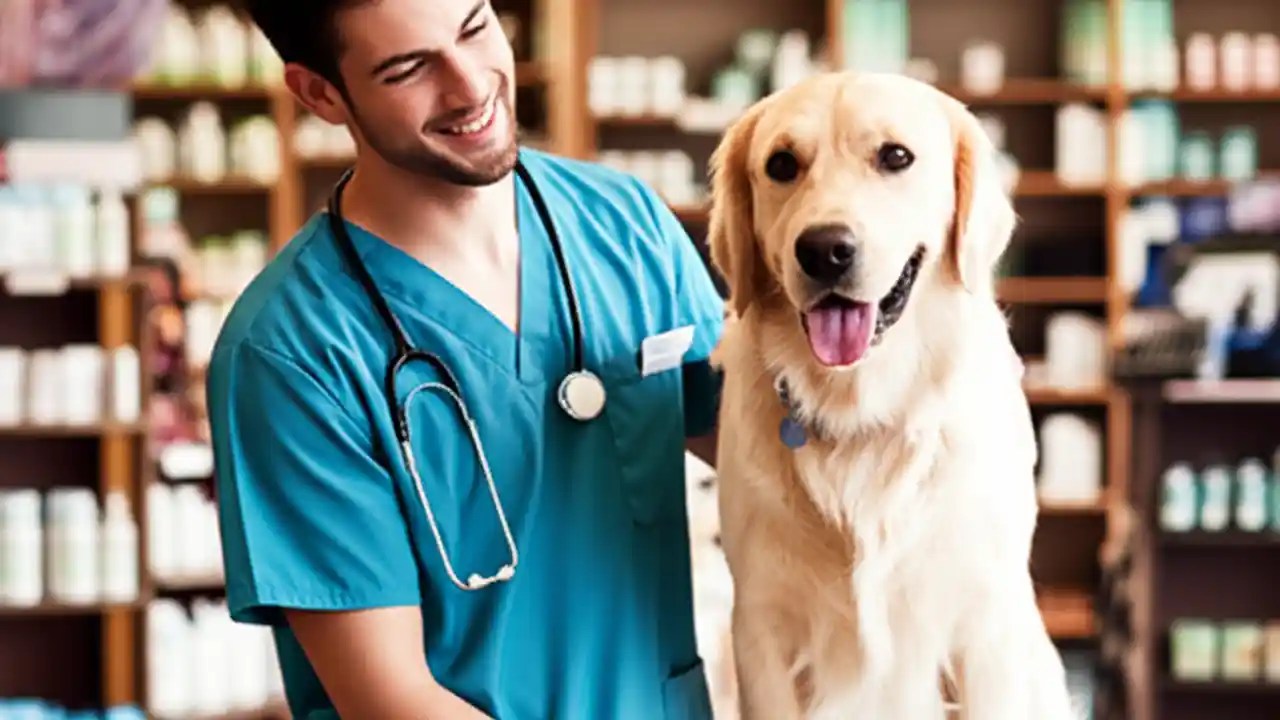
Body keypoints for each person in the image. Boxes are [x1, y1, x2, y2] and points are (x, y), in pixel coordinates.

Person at [204, 0, 726, 718]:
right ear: (320, 94)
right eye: (410, 68)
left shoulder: (624, 222)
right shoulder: (291, 352)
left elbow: (769, 447)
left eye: (475, 28)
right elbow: (392, 699)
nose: (470, 85)